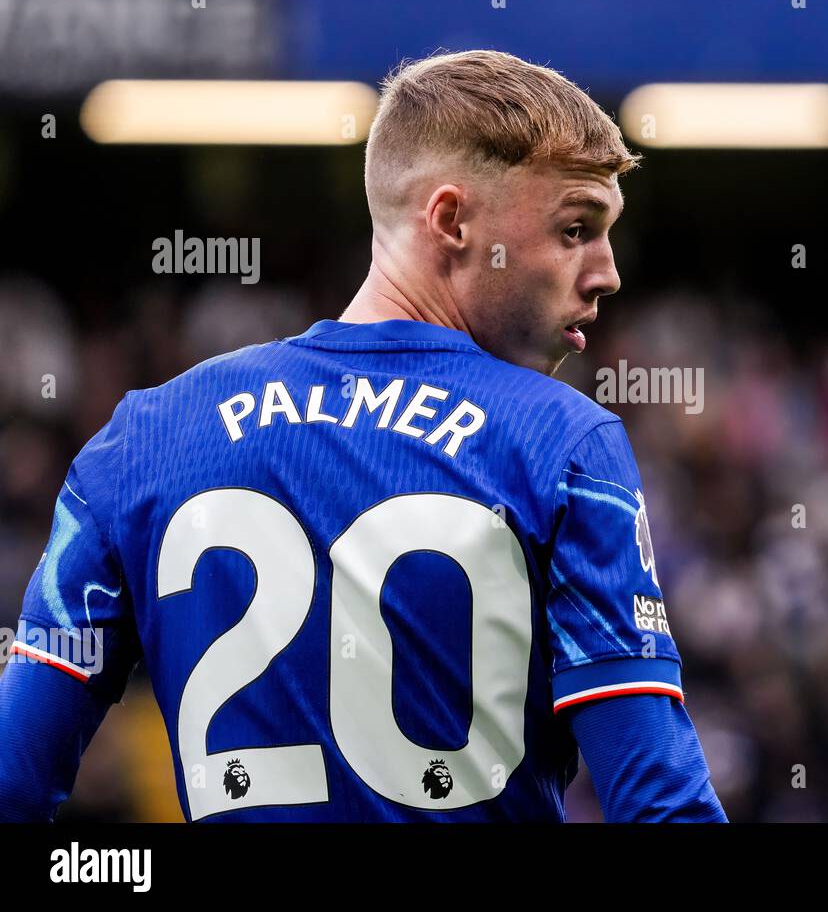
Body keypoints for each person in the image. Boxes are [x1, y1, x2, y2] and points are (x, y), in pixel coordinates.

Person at [0, 49, 726, 823]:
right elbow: (660, 801)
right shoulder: (564, 441)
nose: (608, 272)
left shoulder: (140, 441)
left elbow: (14, 779)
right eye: (576, 228)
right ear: (451, 221)